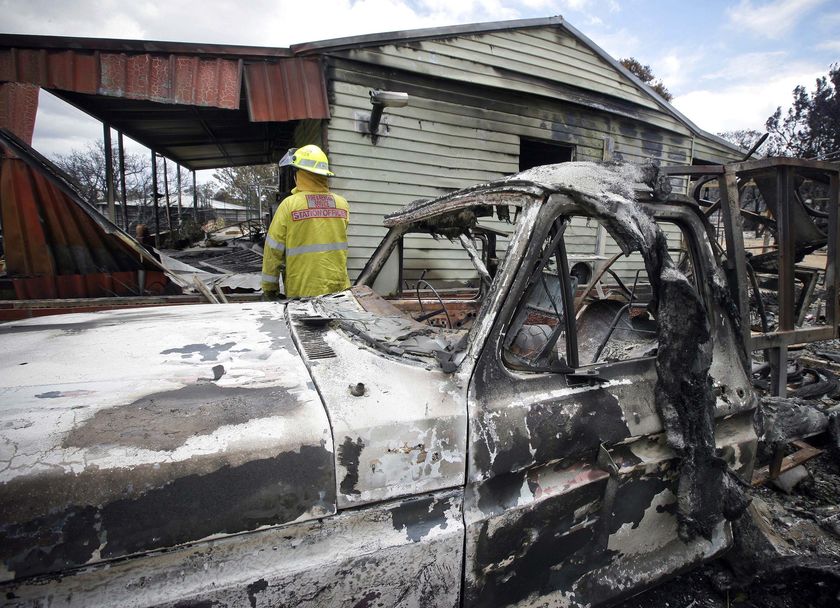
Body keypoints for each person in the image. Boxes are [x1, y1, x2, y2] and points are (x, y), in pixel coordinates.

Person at [261, 145, 350, 299]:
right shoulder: (342, 204)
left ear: (299, 174)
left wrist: (270, 288)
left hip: (302, 291)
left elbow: (273, 251)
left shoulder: (289, 205)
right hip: (338, 290)